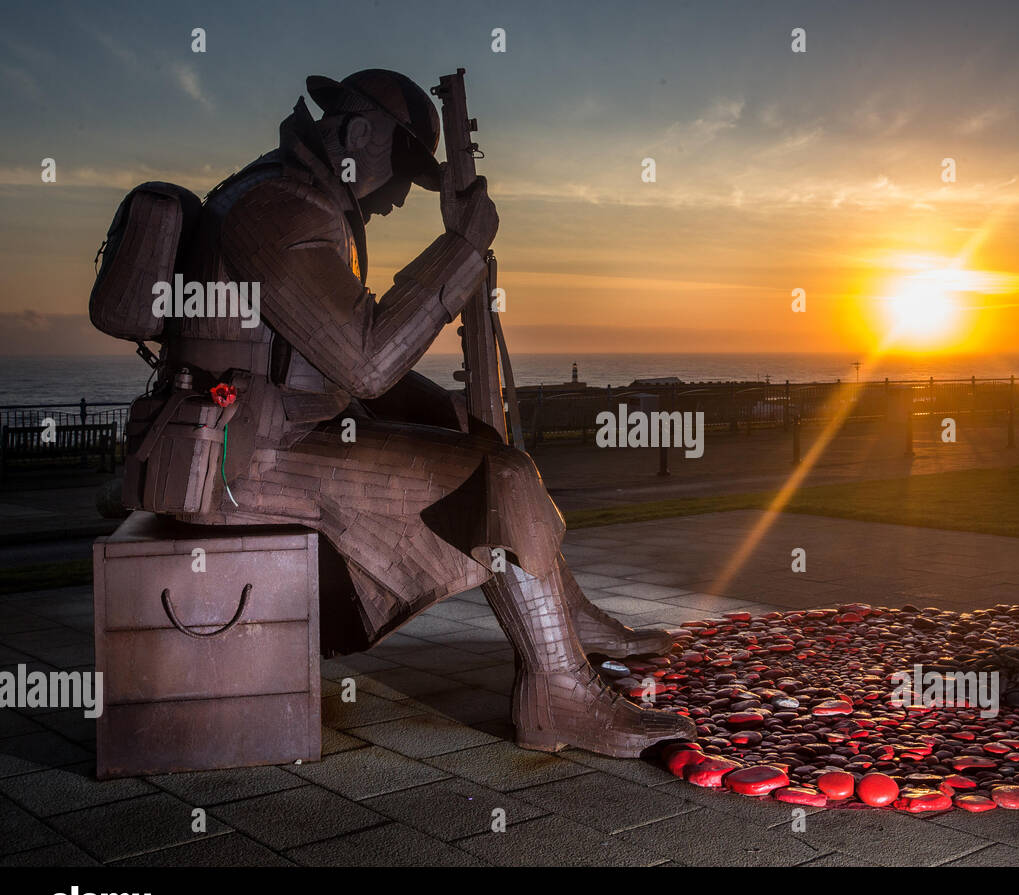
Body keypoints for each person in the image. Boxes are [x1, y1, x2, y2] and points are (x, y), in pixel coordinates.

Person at [157, 69, 694, 758]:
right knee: (499, 474)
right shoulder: (277, 209)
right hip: (241, 461)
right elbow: (364, 363)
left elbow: (314, 353)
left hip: (257, 436)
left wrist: (435, 405)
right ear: (356, 134)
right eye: (402, 172)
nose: (399, 197)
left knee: (481, 443)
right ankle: (558, 696)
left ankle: (567, 623)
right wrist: (461, 249)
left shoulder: (286, 195)